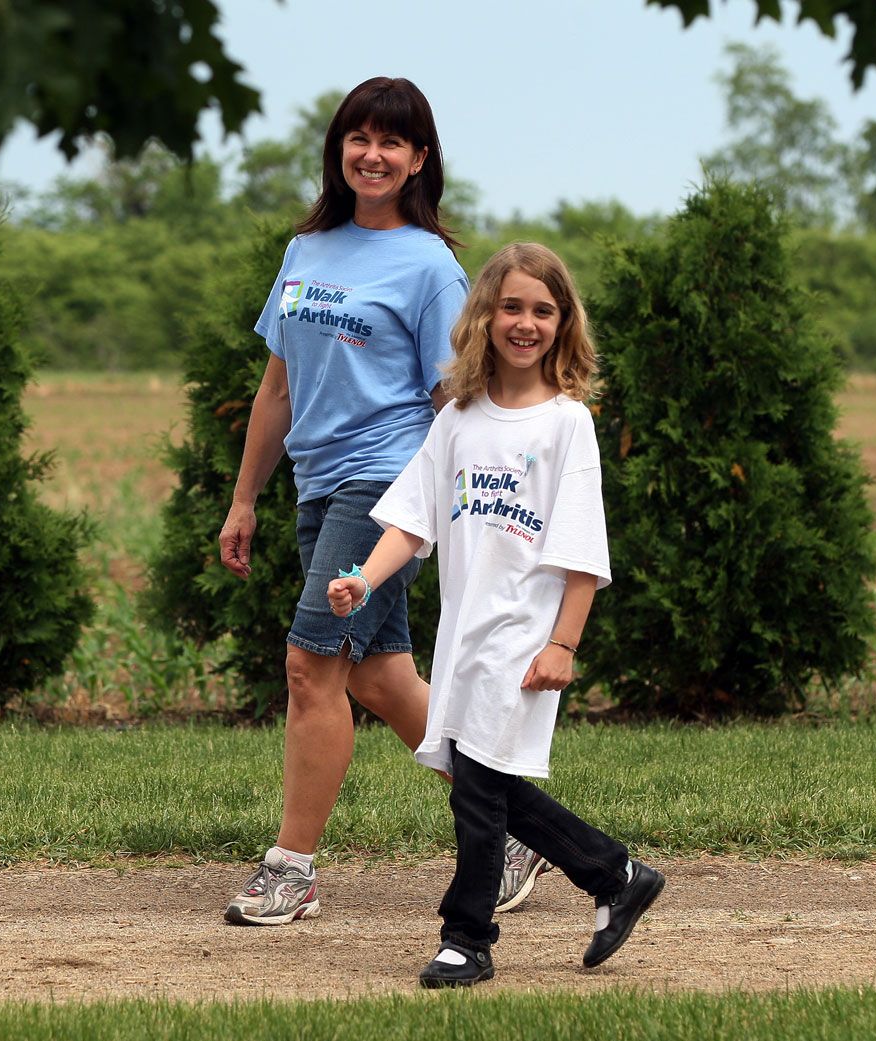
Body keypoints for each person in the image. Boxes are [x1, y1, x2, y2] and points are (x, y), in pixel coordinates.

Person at [219, 78, 547, 926]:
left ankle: (291, 869)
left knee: (310, 665)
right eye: (359, 138)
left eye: (392, 142)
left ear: (418, 160)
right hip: (316, 484)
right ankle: (513, 829)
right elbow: (278, 386)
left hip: (385, 483)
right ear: (340, 149)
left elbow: (455, 397)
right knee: (380, 675)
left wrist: (467, 507)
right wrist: (244, 497)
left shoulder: (431, 265)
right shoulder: (308, 250)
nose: (373, 154)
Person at [327, 243, 666, 986]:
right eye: (512, 306)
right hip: (464, 632)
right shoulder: (459, 420)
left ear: (563, 322)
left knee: (479, 788)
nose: (526, 322)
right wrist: (363, 577)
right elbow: (413, 520)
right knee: (484, 776)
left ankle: (468, 937)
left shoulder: (566, 423)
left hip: (522, 634)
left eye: (543, 310)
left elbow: (582, 549)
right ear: (486, 315)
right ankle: (615, 873)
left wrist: (563, 643)